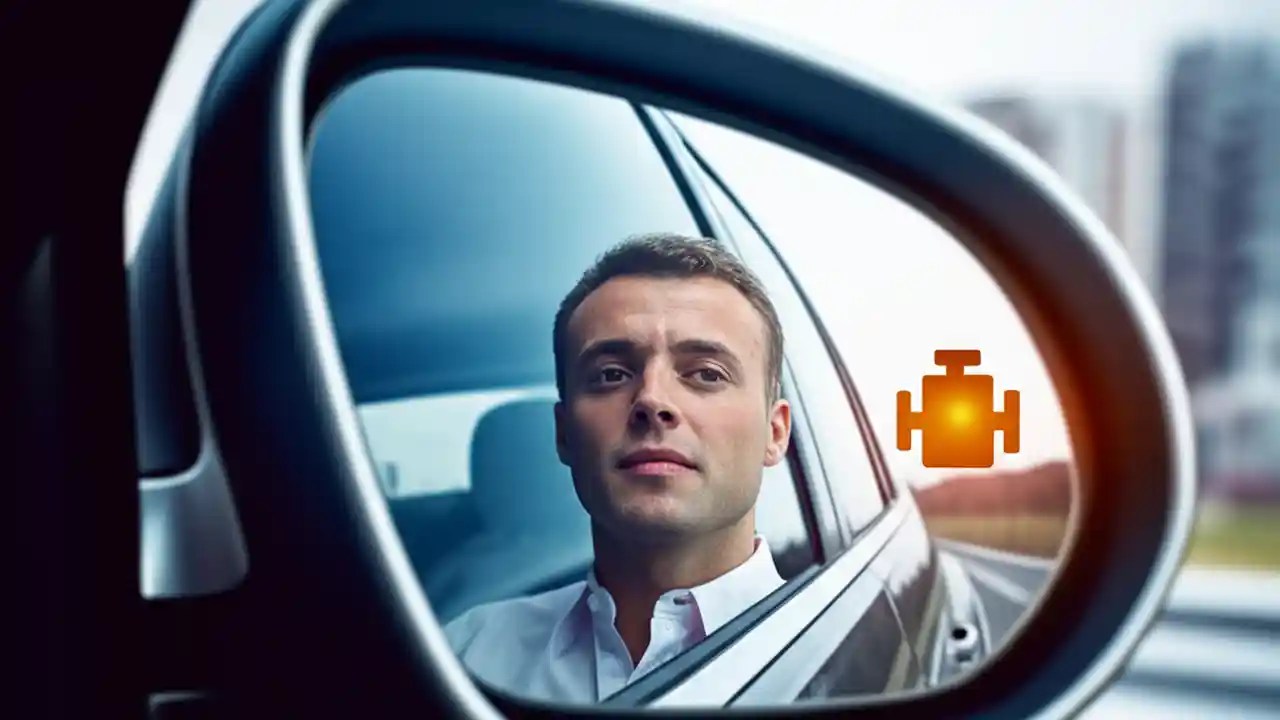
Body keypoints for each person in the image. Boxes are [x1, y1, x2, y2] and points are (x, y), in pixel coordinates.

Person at [444, 233, 792, 703]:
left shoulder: (856, 662)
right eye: (611, 374)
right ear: (564, 434)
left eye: (706, 373)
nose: (652, 399)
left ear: (775, 433)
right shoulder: (465, 653)